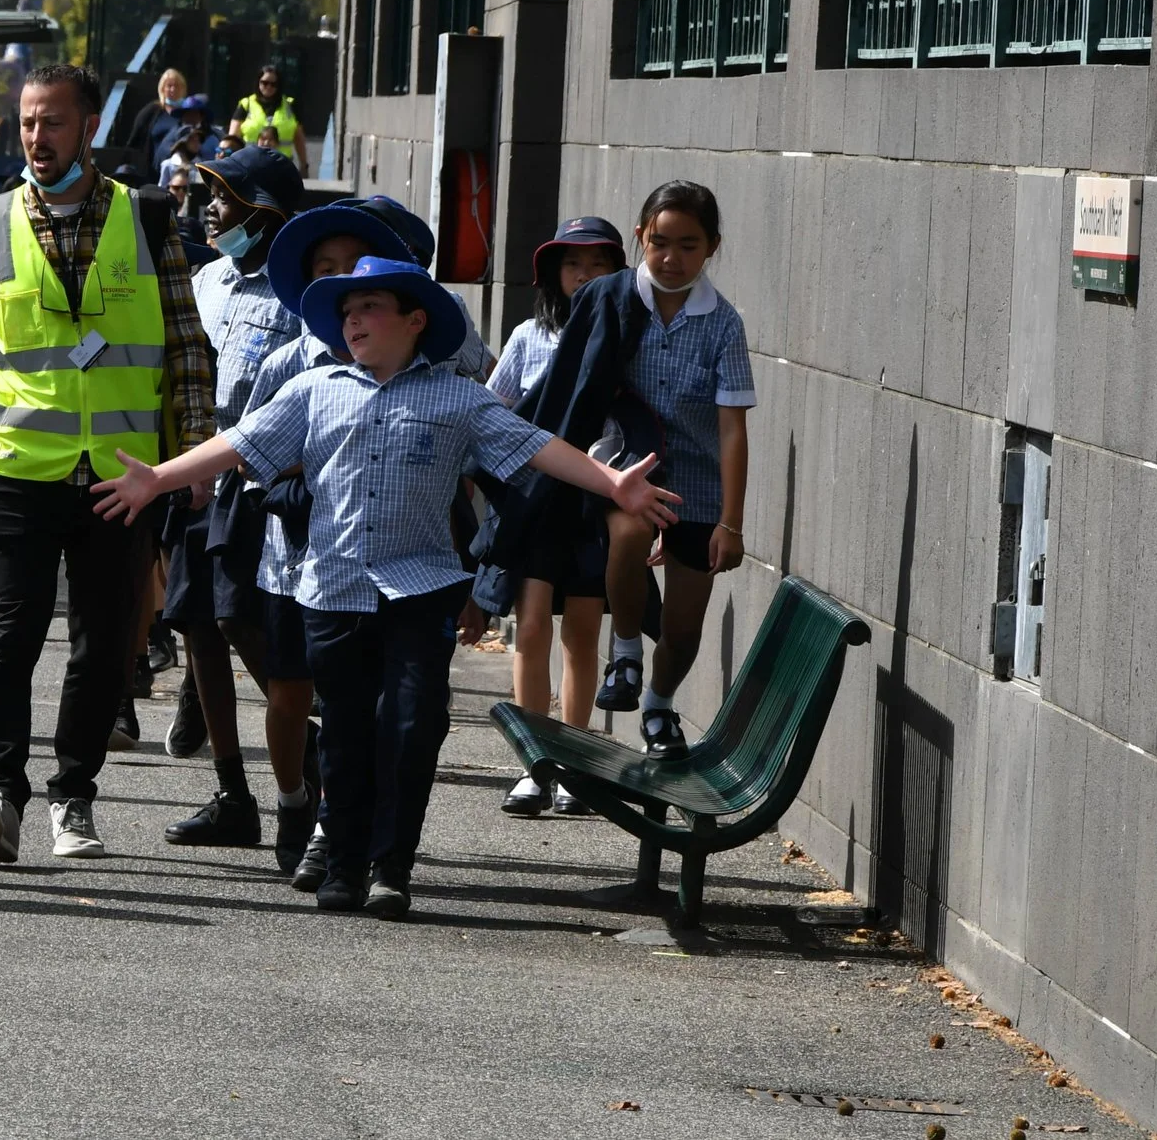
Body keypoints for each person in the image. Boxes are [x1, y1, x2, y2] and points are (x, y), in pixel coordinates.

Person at [93, 256, 677, 919]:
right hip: (333, 588)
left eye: (368, 306)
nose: (353, 320)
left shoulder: (457, 397)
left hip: (420, 587)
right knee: (343, 732)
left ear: (414, 319)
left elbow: (537, 446)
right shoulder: (315, 389)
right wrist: (157, 479)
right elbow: (239, 442)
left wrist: (615, 484)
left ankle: (391, 867)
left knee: (409, 724)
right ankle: (342, 861)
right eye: (346, 311)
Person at [0, 63, 214, 864]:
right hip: (17, 465)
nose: (36, 137)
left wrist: (195, 455)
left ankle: (74, 795)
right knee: (9, 632)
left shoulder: (149, 216)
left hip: (122, 470)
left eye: (53, 122)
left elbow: (184, 342)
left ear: (87, 126)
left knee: (104, 643)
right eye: (27, 122)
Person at [244, 193, 486, 888]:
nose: (352, 294)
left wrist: (479, 572)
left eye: (365, 275)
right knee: (325, 708)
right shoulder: (296, 369)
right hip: (308, 563)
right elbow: (245, 450)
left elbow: (487, 451)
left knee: (407, 715)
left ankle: (366, 851)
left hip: (415, 564)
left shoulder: (447, 362)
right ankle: (319, 824)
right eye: (332, 274)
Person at [521, 182, 753, 761]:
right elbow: (575, 384)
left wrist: (732, 522)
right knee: (625, 531)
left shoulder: (724, 324)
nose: (672, 258)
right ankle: (623, 652)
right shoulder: (612, 298)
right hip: (625, 461)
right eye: (661, 242)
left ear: (712, 248)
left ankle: (657, 699)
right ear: (640, 237)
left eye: (689, 246)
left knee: (682, 629)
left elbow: (732, 430)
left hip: (697, 481)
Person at [158, 145, 306, 858]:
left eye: (227, 196)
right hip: (192, 476)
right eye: (211, 193)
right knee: (197, 628)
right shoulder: (207, 278)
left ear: (267, 211)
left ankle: (302, 747)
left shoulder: (300, 293)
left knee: (242, 620)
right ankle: (231, 791)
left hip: (259, 485)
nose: (211, 208)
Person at [482, 215, 635, 815]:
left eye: (600, 265)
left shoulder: (628, 336)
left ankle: (578, 764)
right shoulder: (529, 335)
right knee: (532, 623)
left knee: (584, 632)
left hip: (595, 501)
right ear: (553, 273)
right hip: (538, 498)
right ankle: (533, 764)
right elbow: (493, 412)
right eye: (574, 264)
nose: (586, 275)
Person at [232, 64, 309, 174]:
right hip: (250, 165)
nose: (268, 87)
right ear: (258, 82)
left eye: (274, 84)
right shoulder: (246, 104)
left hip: (281, 167)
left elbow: (299, 139)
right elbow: (233, 138)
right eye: (264, 83)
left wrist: (304, 165)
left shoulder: (290, 105)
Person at [133, 68, 194, 174]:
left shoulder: (189, 112)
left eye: (177, 86)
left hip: (181, 170)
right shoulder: (152, 110)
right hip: (152, 170)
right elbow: (136, 140)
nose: (173, 89)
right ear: (162, 89)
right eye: (169, 86)